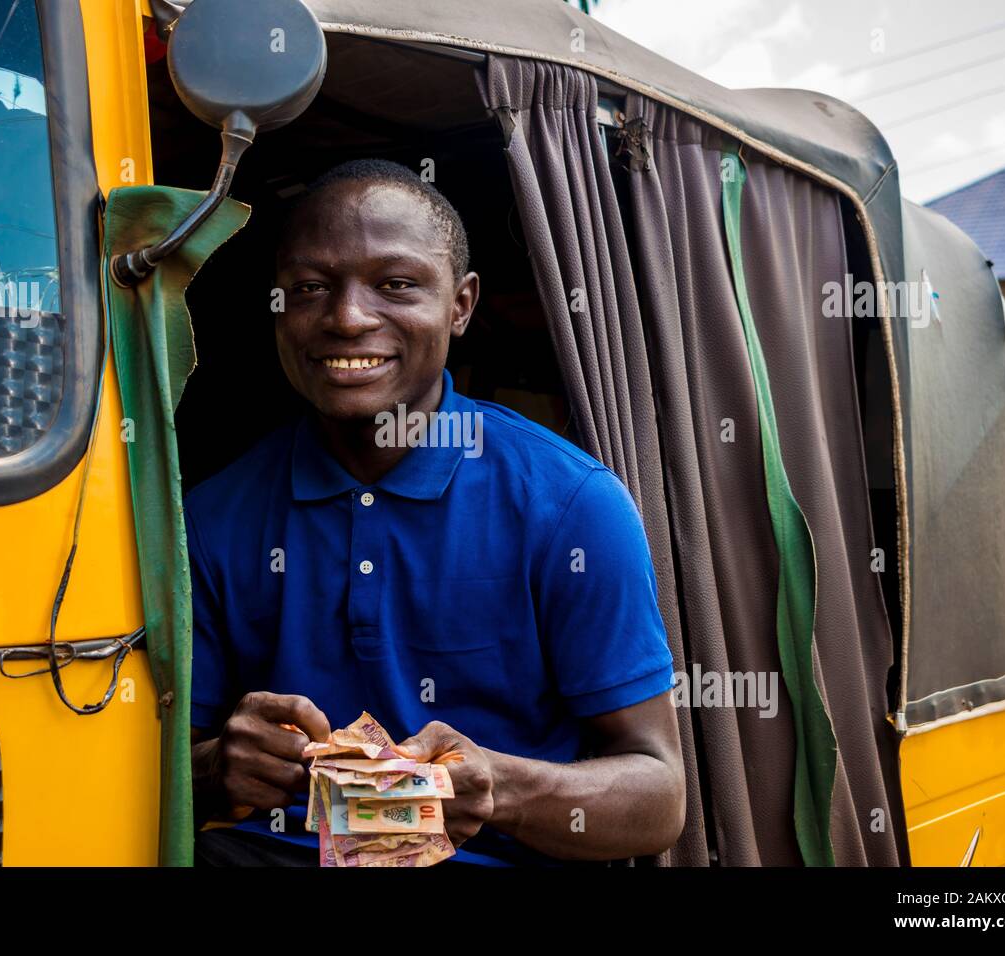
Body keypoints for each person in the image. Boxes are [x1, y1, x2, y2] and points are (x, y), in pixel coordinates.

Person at [186, 158, 684, 866]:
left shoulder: (570, 502)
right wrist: (214, 767)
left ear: (460, 304)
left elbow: (660, 793)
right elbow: (151, 765)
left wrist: (499, 791)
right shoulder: (214, 515)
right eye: (309, 288)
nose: (348, 318)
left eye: (396, 284)